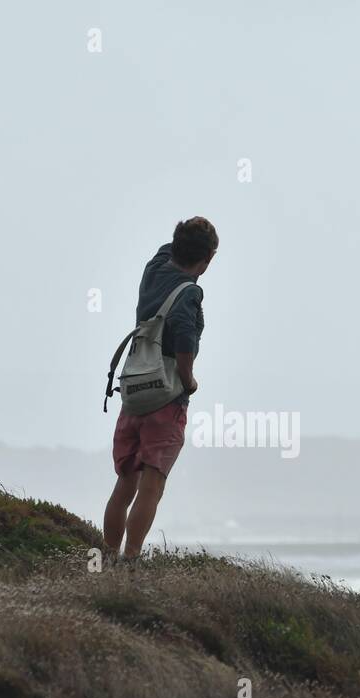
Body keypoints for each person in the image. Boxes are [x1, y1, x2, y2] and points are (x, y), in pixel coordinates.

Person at [103, 216, 218, 561]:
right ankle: (131, 562)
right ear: (207, 260)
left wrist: (189, 236)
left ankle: (108, 559)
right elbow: (184, 339)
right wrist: (189, 380)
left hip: (134, 393)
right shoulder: (190, 292)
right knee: (151, 486)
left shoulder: (154, 269)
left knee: (125, 484)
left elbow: (172, 249)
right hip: (165, 398)